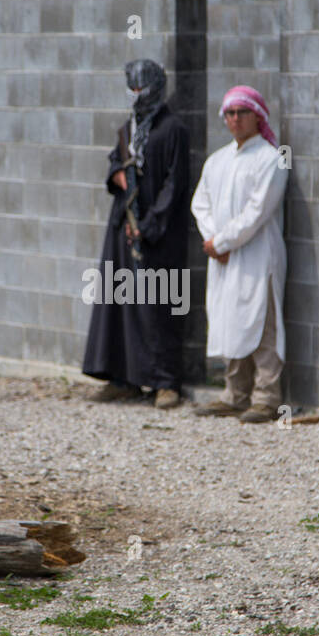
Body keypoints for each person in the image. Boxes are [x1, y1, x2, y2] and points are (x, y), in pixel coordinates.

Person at [82, 59, 191, 410]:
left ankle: (165, 383)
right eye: (133, 88)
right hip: (123, 229)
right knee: (121, 303)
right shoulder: (128, 130)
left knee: (158, 303)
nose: (137, 95)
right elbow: (116, 163)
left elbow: (175, 185)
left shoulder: (174, 129)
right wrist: (119, 175)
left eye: (142, 88)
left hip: (158, 235)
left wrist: (149, 226)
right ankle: (123, 378)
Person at [191, 85, 287, 423]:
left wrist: (222, 242)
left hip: (258, 254)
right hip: (222, 255)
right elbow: (200, 203)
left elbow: (257, 211)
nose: (235, 119)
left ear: (257, 116)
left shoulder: (271, 159)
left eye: (242, 112)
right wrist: (212, 240)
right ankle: (234, 394)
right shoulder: (217, 160)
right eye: (230, 113)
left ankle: (266, 397)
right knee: (229, 318)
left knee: (262, 321)